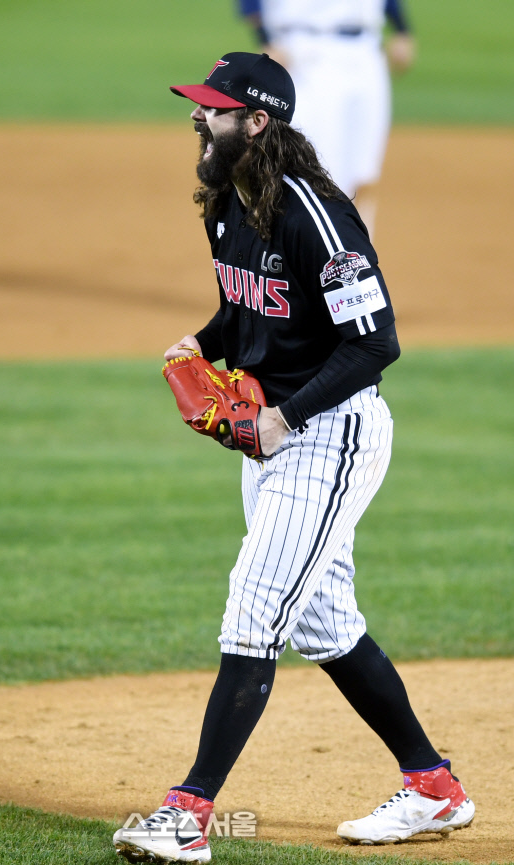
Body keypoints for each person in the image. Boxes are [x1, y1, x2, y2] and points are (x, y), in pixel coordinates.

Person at [113, 52, 474, 864]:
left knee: (254, 604)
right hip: (282, 434)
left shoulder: (318, 213)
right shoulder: (224, 201)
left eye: (212, 109)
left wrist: (284, 416)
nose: (197, 118)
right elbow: (243, 304)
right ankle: (431, 785)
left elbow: (374, 342)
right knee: (322, 619)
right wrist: (200, 341)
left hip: (332, 432)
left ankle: (188, 813)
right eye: (198, 105)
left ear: (257, 123)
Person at [239, 0, 416, 236]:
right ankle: (307, 260)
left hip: (367, 53)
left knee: (364, 173)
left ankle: (358, 260)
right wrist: (265, 40)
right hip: (306, 52)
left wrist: (402, 29)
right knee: (318, 171)